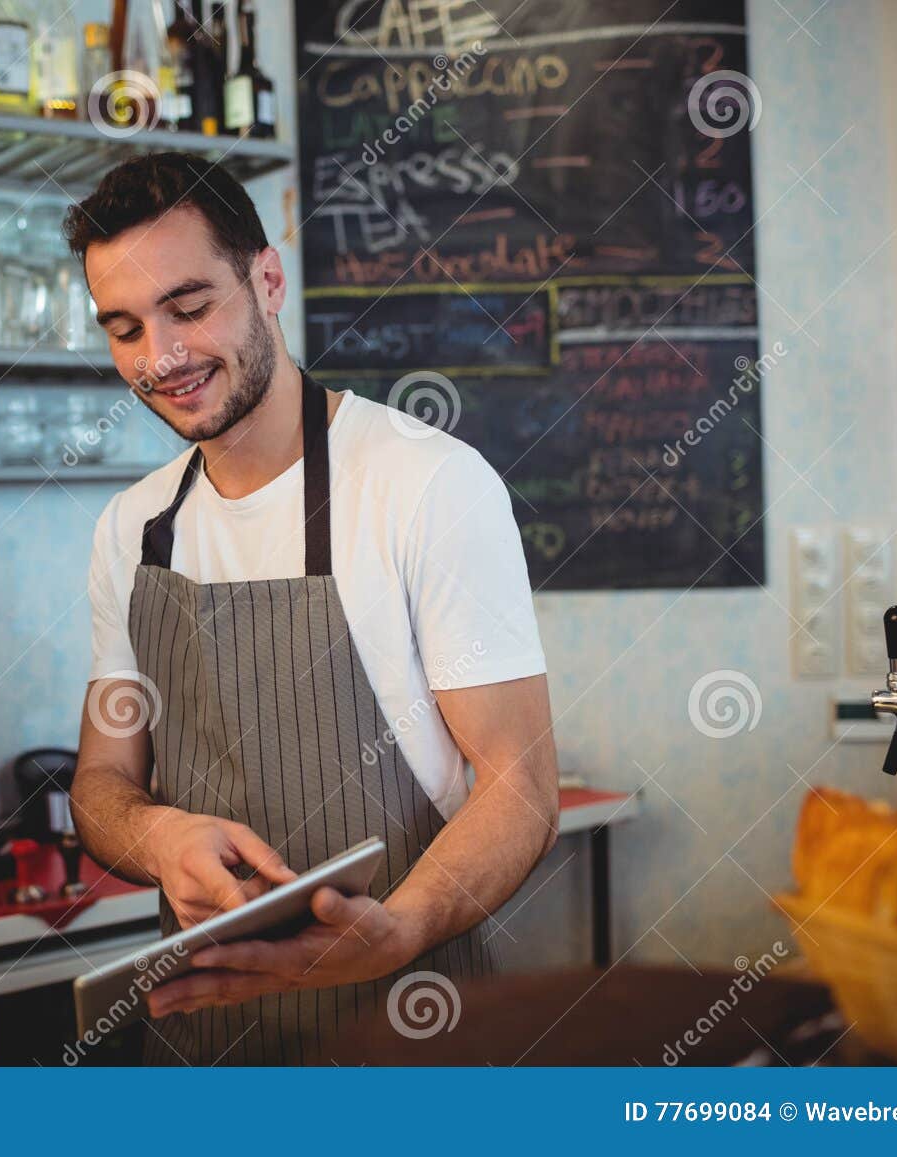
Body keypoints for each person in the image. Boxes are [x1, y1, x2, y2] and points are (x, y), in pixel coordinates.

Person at [65, 153, 561, 1065]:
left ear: (267, 278)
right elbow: (100, 784)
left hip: (409, 1020)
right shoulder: (131, 529)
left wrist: (400, 926)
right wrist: (156, 832)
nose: (162, 357)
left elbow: (520, 787)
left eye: (189, 306)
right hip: (204, 1039)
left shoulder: (429, 484)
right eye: (126, 328)